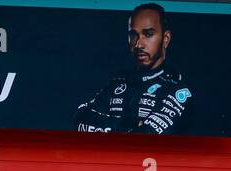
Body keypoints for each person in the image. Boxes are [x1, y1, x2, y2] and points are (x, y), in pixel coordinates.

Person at [75, 3, 191, 135]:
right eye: (133, 35)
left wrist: (107, 125)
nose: (138, 44)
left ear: (165, 38)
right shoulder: (119, 81)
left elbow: (145, 136)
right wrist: (127, 125)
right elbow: (81, 118)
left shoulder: (177, 89)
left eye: (148, 34)